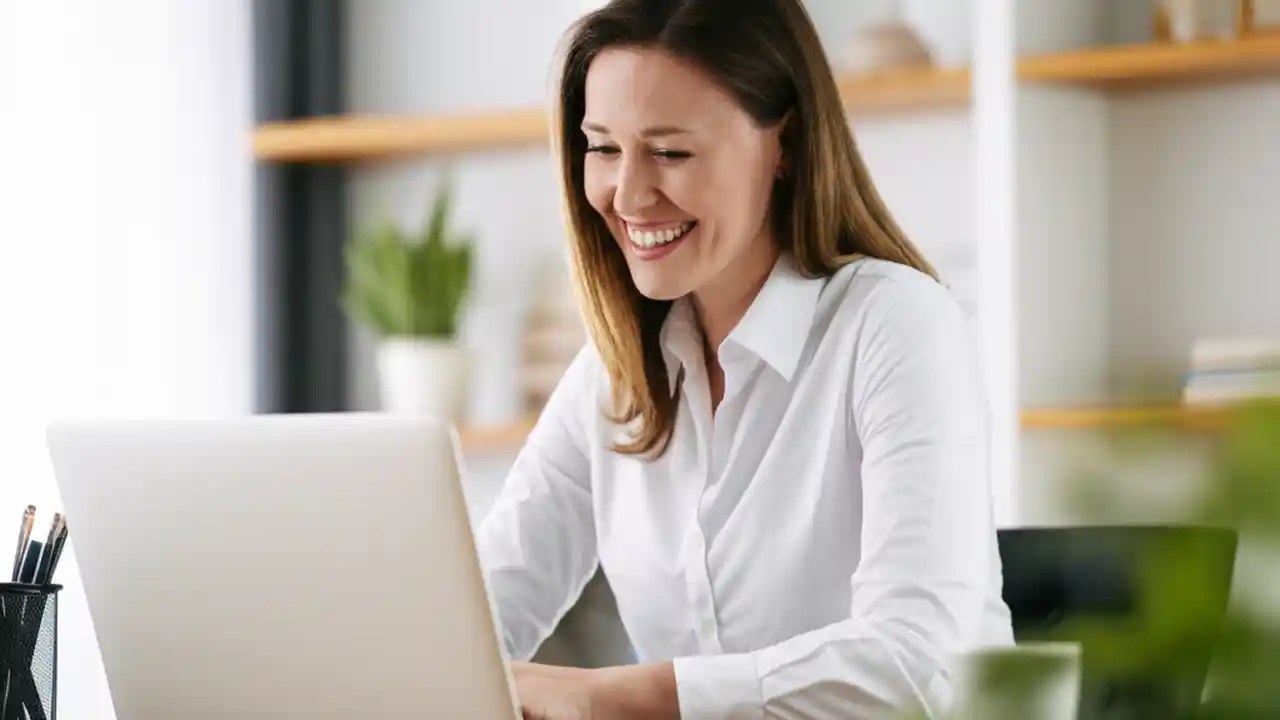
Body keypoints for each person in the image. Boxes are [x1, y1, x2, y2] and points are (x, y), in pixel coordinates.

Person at [478, 0, 1013, 717]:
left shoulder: (897, 326)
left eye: (670, 152)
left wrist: (614, 695)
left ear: (783, 145)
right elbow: (473, 622)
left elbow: (917, 665)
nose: (628, 194)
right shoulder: (612, 379)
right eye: (603, 148)